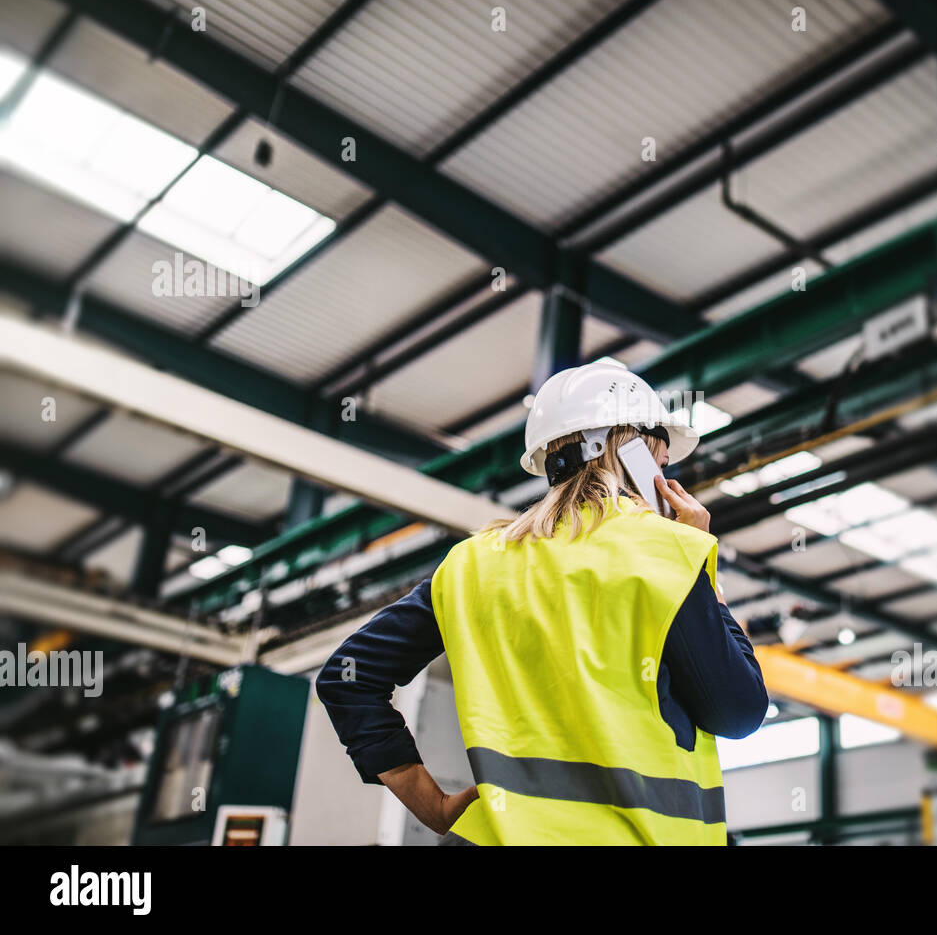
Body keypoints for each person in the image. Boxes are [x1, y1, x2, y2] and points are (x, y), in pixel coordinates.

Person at [315, 360, 768, 845]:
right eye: (660, 459)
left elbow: (349, 676)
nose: (663, 473)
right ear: (633, 447)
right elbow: (737, 712)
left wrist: (432, 805)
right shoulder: (662, 552)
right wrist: (697, 571)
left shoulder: (470, 564)